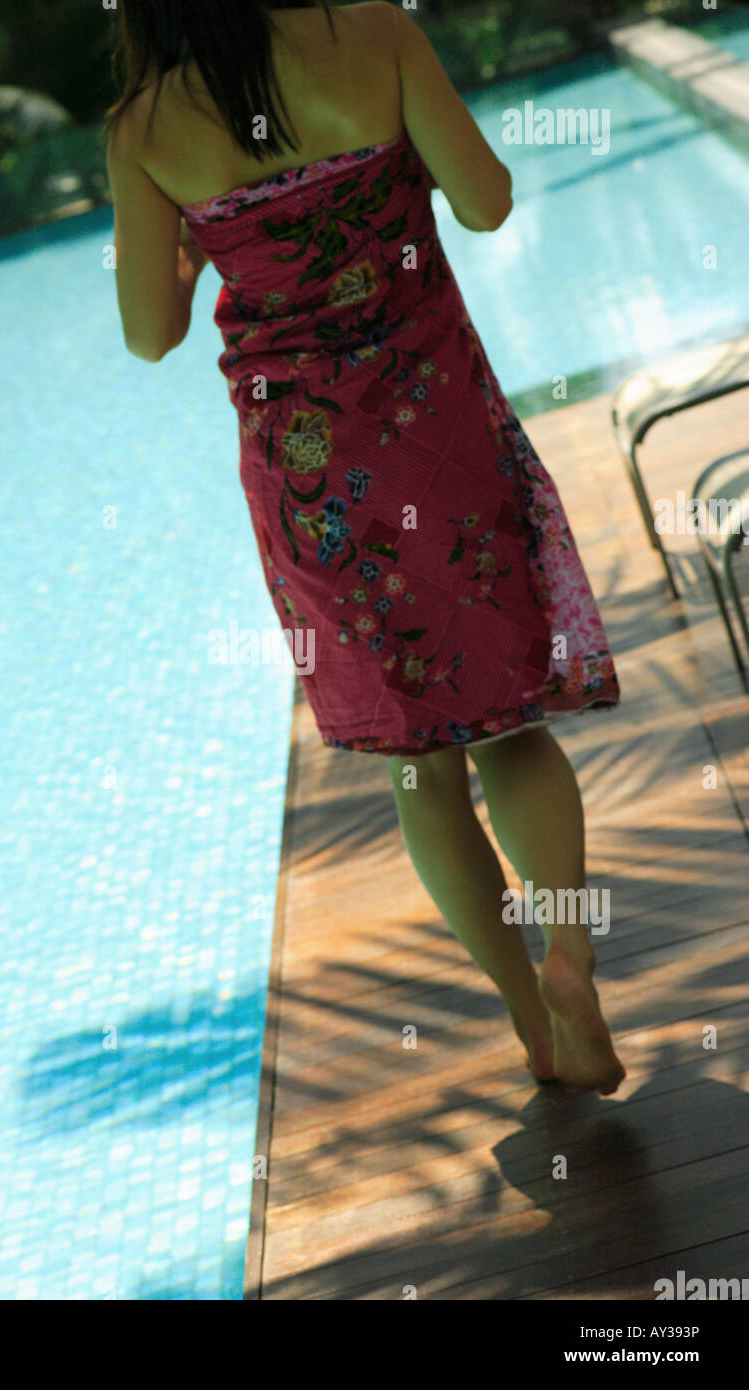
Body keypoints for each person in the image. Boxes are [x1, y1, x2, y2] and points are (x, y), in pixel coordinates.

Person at [104, 1, 625, 1095]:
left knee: (422, 770)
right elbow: (486, 201)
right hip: (438, 429)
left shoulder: (144, 128)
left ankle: (533, 1025)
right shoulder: (377, 35)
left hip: (313, 479)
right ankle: (572, 957)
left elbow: (148, 333)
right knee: (513, 723)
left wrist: (208, 250)